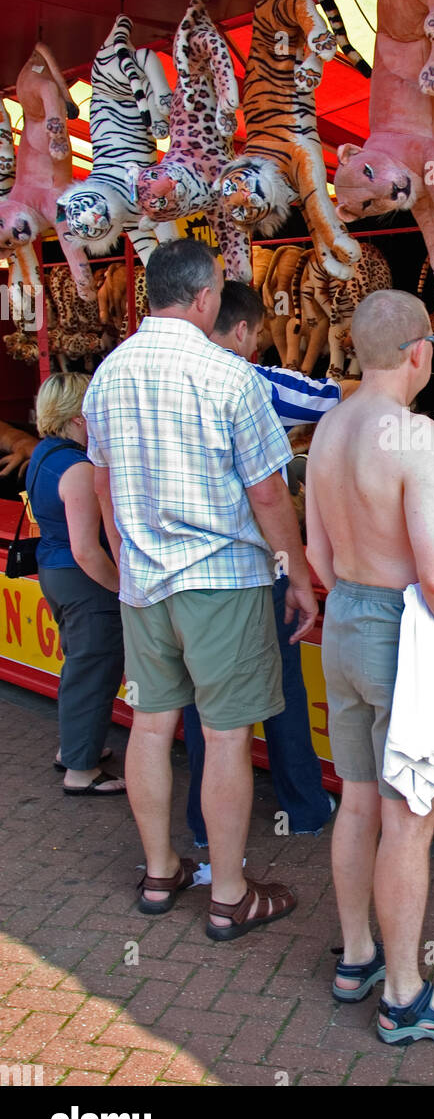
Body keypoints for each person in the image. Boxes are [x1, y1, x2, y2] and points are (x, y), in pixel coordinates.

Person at [83, 240, 318, 941]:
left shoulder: (108, 373)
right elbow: (269, 496)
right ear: (206, 298)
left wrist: (127, 554)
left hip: (145, 583)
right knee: (224, 739)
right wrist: (298, 575)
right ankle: (231, 896)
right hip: (222, 580)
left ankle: (160, 874)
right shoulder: (230, 376)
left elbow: (102, 483)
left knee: (151, 728)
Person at [305, 288, 434, 1045]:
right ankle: (407, 996)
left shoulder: (327, 427)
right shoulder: (413, 436)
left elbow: (316, 552)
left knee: (356, 799)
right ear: (420, 353)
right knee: (409, 819)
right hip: (404, 630)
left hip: (344, 615)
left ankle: (358, 960)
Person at [183, 281, 343, 842]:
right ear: (247, 331)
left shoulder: (138, 373)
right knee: (279, 688)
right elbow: (326, 397)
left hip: (172, 574)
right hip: (249, 567)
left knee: (202, 701)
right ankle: (301, 806)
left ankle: (204, 826)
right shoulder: (246, 377)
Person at [26, 373, 126, 796]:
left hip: (53, 571)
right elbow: (87, 549)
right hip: (82, 580)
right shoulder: (78, 468)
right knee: (95, 668)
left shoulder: (44, 454)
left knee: (78, 665)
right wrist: (123, 589)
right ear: (79, 416)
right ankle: (81, 771)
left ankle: (74, 748)